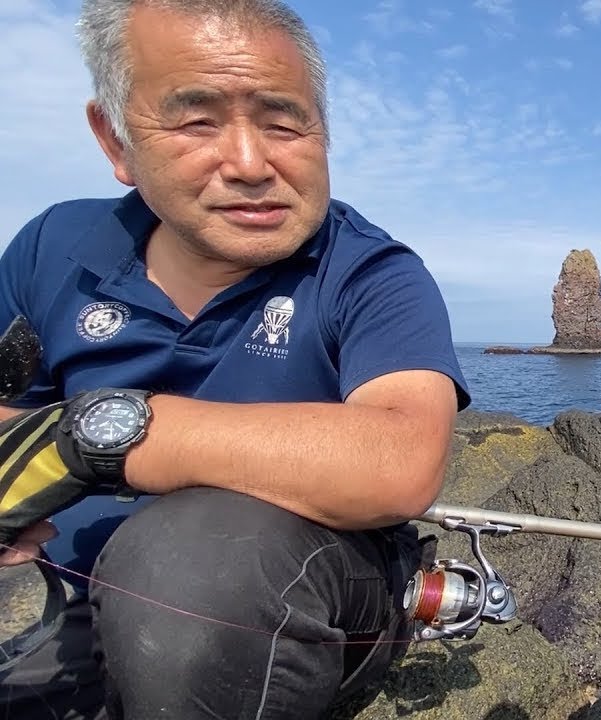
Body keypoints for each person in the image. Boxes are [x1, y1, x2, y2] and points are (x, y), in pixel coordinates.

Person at [0, 0, 471, 718]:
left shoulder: (371, 274)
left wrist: (103, 436)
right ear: (115, 139)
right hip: (53, 595)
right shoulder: (51, 249)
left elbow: (402, 456)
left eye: (284, 121)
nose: (251, 165)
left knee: (189, 566)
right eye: (196, 121)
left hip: (268, 599)